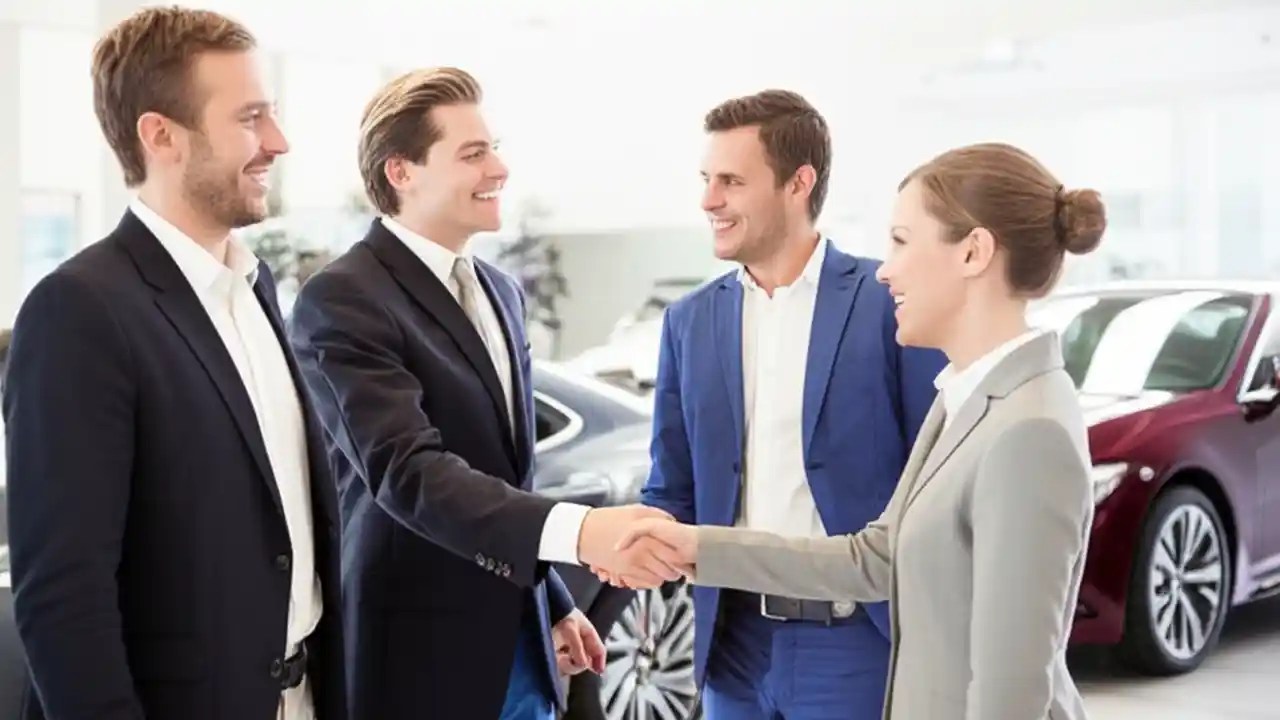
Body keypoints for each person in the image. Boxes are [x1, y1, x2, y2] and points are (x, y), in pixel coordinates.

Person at [613, 142, 1108, 720]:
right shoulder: (965, 401)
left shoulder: (1029, 431)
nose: (887, 269)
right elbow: (874, 558)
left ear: (973, 252)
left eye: (901, 241)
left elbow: (1009, 696)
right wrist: (698, 545)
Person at [286, 67, 682, 720]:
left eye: (493, 147)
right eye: (473, 154)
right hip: (418, 657)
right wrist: (580, 535)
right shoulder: (343, 299)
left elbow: (504, 474)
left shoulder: (500, 291)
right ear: (401, 172)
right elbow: (408, 473)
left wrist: (550, 600)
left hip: (516, 638)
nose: (498, 168)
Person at [3, 7, 345, 720]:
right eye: (250, 118)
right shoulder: (79, 311)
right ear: (160, 135)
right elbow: (64, 598)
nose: (277, 142)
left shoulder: (257, 289)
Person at [633, 89, 946, 720]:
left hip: (859, 637)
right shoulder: (689, 322)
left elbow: (936, 480)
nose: (708, 200)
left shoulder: (889, 302)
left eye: (730, 181)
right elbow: (673, 486)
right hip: (733, 647)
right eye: (705, 179)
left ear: (797, 184)